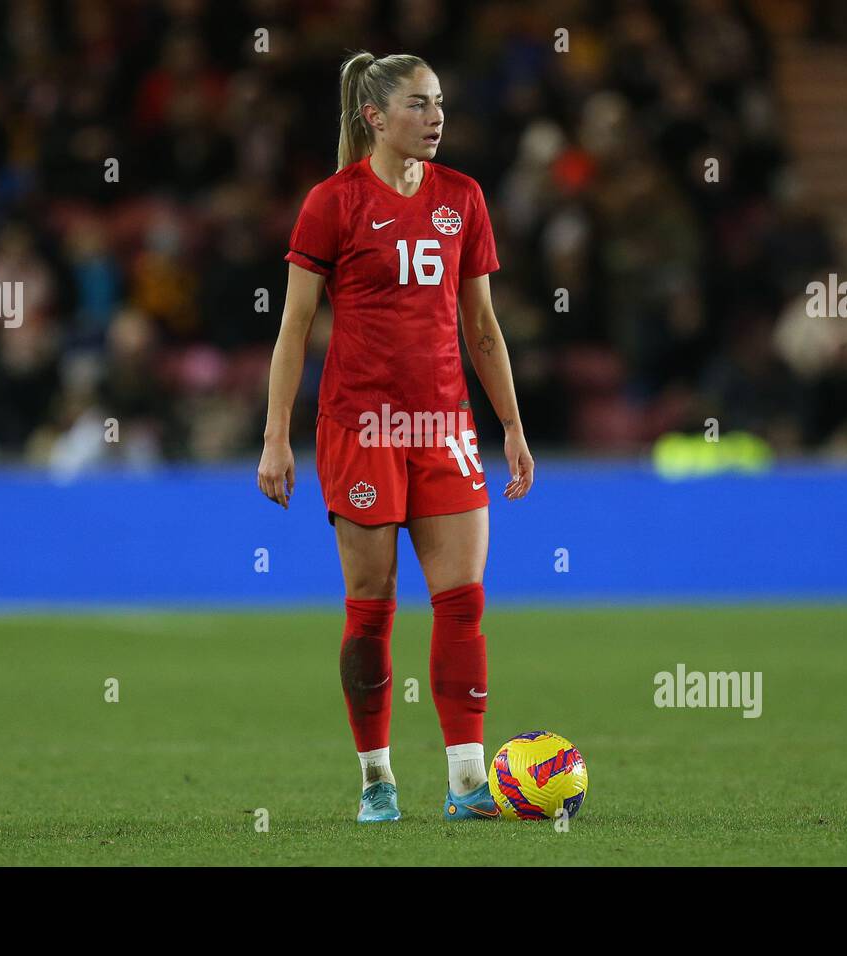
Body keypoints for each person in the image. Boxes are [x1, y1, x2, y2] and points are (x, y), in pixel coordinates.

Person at [257, 51, 534, 822]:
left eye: (440, 102)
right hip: (362, 428)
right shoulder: (332, 204)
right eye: (418, 104)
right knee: (373, 604)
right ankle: (377, 776)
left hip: (445, 427)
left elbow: (480, 324)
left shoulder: (463, 198)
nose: (436, 117)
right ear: (375, 117)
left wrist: (510, 424)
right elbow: (295, 328)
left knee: (462, 603)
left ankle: (467, 784)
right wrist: (276, 436)